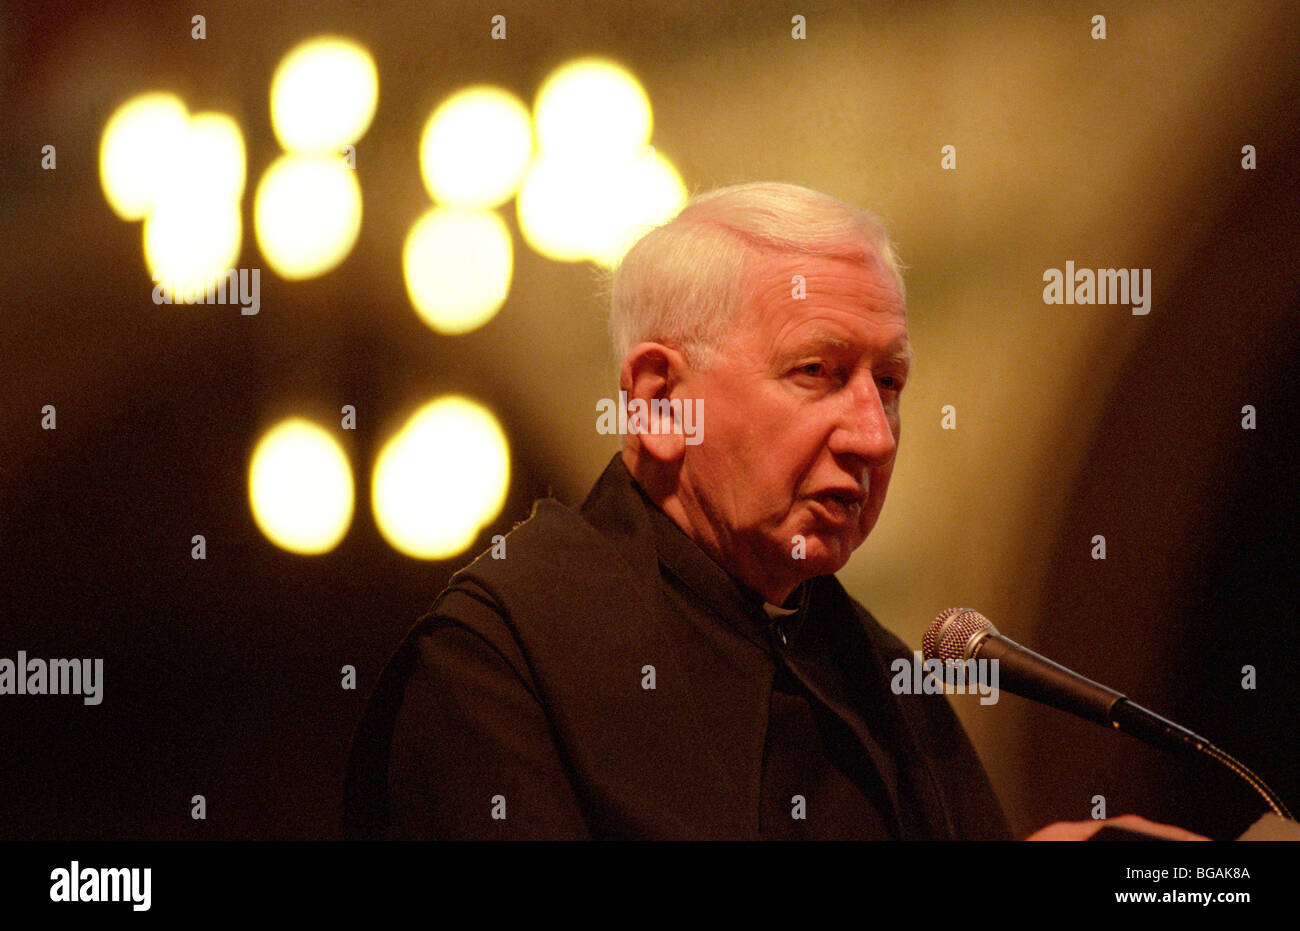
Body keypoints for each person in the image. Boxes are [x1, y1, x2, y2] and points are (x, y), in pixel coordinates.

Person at [342, 182, 1191, 841]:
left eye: (888, 384)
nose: (872, 434)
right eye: (816, 371)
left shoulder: (887, 686)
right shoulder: (498, 665)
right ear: (660, 401)